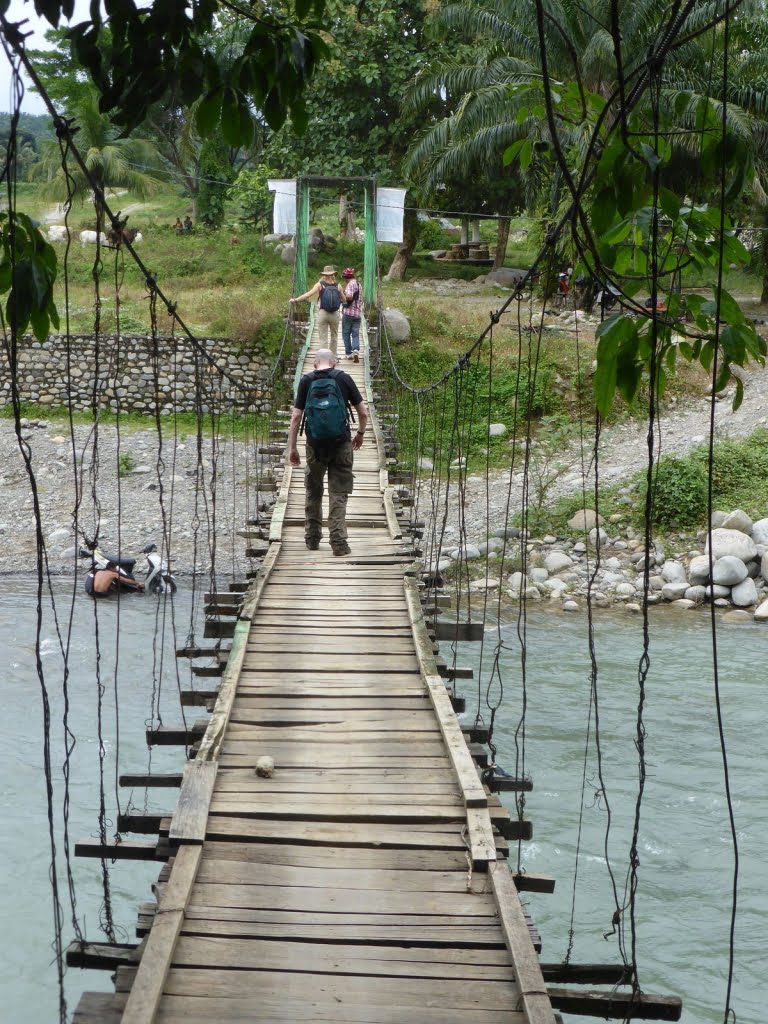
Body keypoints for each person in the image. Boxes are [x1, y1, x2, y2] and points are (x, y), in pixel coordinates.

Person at [288, 348, 368, 555]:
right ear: (334, 363)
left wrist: (292, 448)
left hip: (315, 445)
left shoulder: (306, 381)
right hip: (341, 444)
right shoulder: (344, 378)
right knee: (338, 493)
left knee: (313, 491)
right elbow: (363, 412)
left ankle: (312, 539)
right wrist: (360, 433)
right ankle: (338, 543)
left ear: (314, 364)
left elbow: (296, 417)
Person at [289, 265, 344, 356]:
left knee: (323, 338)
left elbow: (308, 295)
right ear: (333, 274)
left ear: (324, 274)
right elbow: (344, 300)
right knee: (334, 337)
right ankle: (333, 357)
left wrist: (295, 300)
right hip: (334, 314)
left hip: (323, 313)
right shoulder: (338, 285)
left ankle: (324, 358)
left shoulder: (320, 284)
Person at [341, 266, 361, 362]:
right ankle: (356, 350)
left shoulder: (349, 284)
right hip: (357, 314)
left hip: (348, 314)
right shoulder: (359, 285)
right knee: (355, 334)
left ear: (346, 278)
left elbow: (349, 296)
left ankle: (349, 354)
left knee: (346, 333)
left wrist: (343, 296)